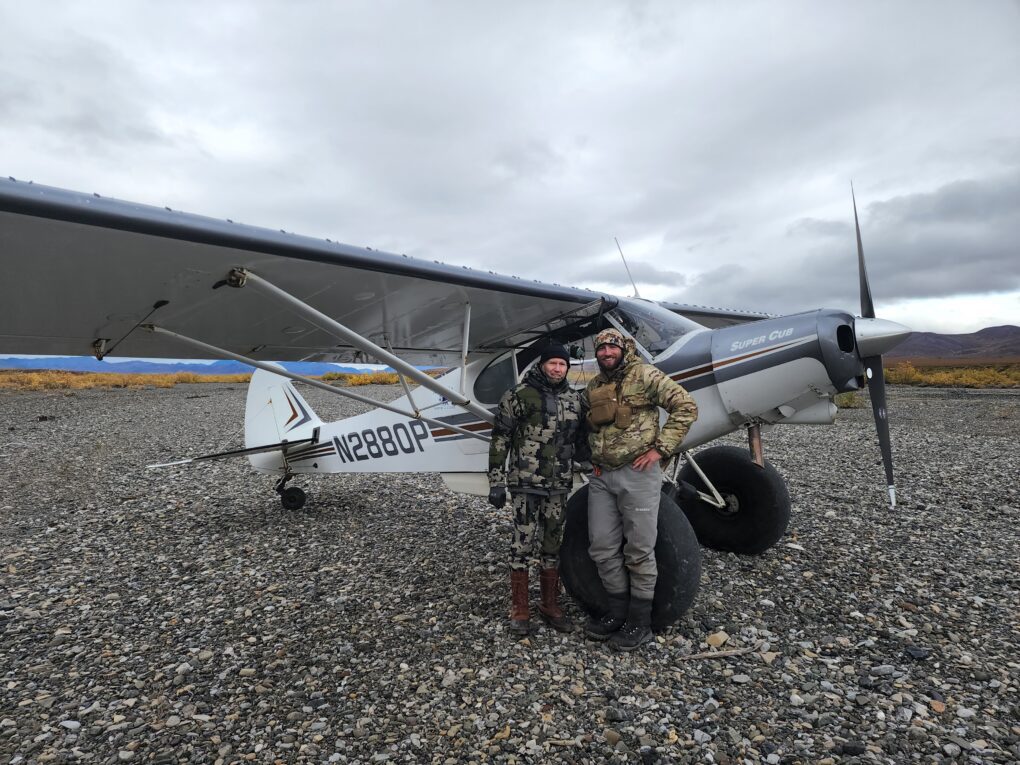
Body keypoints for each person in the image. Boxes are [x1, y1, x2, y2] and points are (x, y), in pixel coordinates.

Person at [583, 328, 698, 650]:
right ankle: (616, 612)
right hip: (601, 476)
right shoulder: (595, 385)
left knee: (639, 551)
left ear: (624, 348)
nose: (606, 352)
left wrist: (660, 450)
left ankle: (640, 622)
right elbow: (587, 426)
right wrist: (589, 457)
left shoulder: (645, 375)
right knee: (602, 547)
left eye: (611, 347)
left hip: (638, 472)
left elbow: (685, 407)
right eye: (601, 348)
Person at [488, 342, 588, 635]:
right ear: (542, 364)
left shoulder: (575, 400)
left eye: (563, 364)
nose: (557, 369)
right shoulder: (518, 396)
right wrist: (496, 481)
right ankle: (519, 609)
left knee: (552, 547)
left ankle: (549, 604)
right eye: (553, 363)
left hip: (558, 486)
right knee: (521, 546)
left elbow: (582, 441)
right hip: (525, 485)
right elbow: (500, 439)